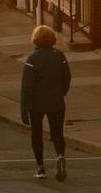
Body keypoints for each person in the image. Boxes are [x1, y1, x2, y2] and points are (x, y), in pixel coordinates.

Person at [19, 24, 72, 180]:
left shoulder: (32, 59)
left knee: (37, 134)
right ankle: (60, 155)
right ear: (52, 39)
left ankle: (40, 167)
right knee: (57, 133)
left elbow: (27, 86)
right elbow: (67, 78)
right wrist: (61, 92)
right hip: (56, 101)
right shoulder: (59, 56)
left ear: (35, 40)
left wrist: (24, 108)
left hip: (37, 103)